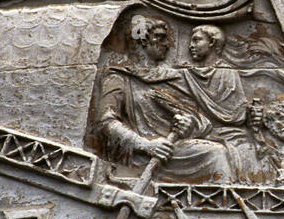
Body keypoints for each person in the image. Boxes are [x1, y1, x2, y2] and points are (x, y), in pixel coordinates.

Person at [91, 14, 241, 183]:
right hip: (142, 153)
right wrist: (146, 145)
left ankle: (223, 203)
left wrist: (189, 124)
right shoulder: (118, 78)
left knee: (219, 152)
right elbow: (105, 122)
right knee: (215, 153)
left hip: (173, 148)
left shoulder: (175, 77)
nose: (168, 44)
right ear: (141, 41)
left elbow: (201, 119)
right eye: (160, 38)